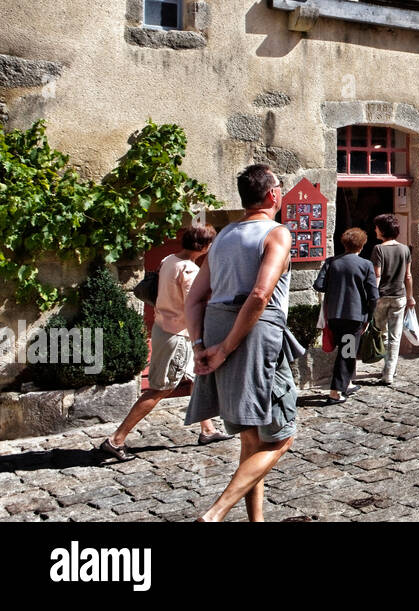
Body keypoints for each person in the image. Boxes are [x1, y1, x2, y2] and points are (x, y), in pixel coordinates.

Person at [184, 164, 304, 523]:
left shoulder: (223, 235)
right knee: (282, 437)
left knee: (251, 439)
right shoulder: (277, 233)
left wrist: (201, 345)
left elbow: (194, 297)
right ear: (272, 195)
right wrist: (225, 348)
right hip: (253, 333)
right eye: (280, 187)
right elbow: (259, 293)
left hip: (217, 326)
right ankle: (215, 514)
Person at [96, 225, 228, 460]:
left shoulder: (169, 259)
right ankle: (116, 440)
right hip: (177, 336)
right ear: (203, 246)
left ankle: (207, 430)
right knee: (159, 389)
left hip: (163, 328)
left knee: (198, 378)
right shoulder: (189, 270)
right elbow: (193, 306)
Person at [322, 227, 378, 404]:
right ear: (361, 246)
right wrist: (369, 317)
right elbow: (373, 296)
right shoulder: (365, 265)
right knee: (346, 353)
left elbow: (319, 285)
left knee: (345, 352)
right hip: (353, 316)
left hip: (334, 315)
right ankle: (336, 391)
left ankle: (347, 383)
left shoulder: (331, 262)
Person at [370, 213, 415, 386]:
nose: (375, 230)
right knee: (395, 335)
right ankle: (390, 371)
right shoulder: (404, 249)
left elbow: (377, 275)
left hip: (382, 296)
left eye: (376, 227)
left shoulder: (378, 249)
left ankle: (387, 368)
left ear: (382, 230)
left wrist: (372, 296)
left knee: (381, 333)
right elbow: (408, 276)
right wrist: (410, 297)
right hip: (399, 296)